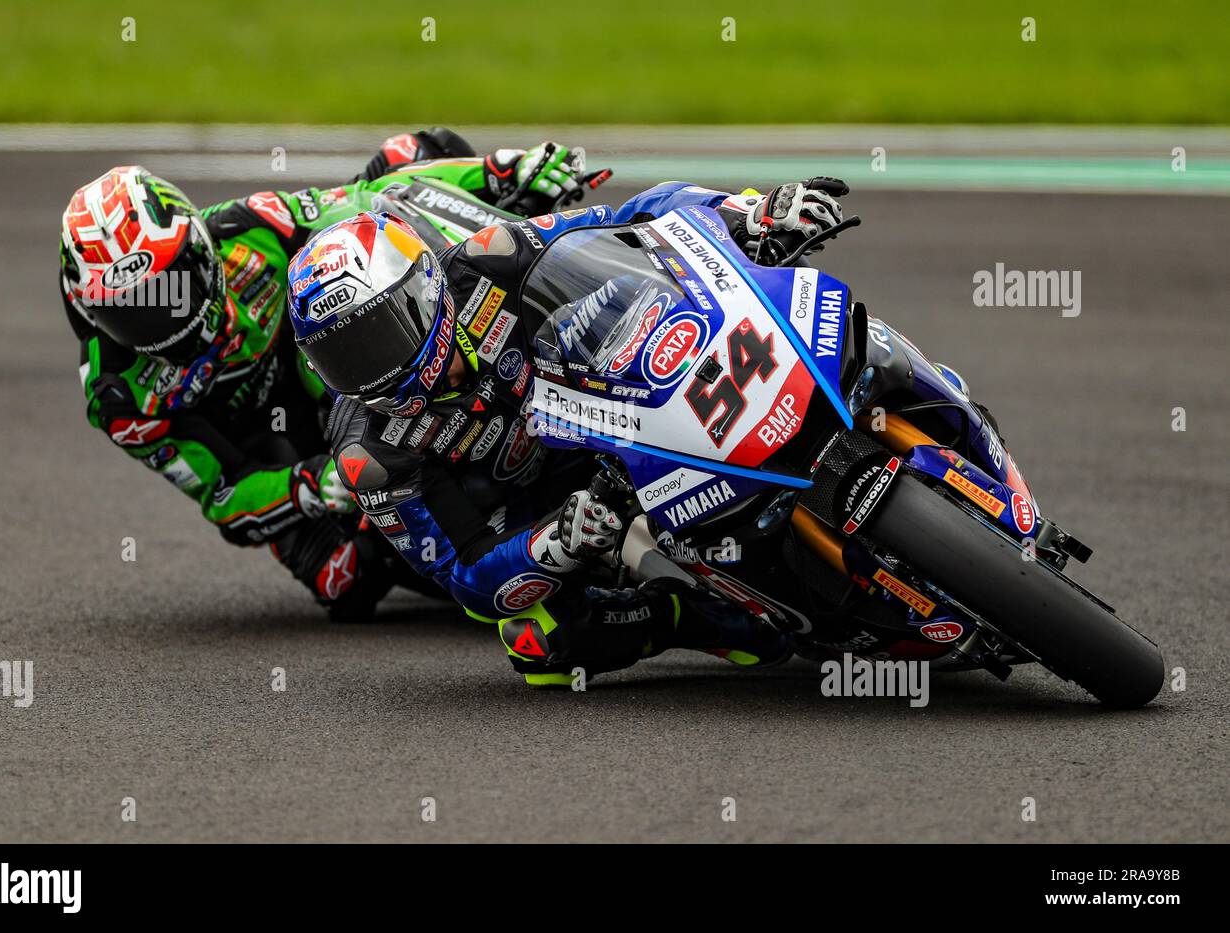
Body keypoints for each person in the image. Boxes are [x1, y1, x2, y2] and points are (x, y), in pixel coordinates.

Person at [285, 177, 851, 680]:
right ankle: (683, 617)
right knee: (538, 640)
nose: (368, 365)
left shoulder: (493, 255)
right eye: (343, 353)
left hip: (627, 402)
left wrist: (749, 212)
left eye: (375, 334)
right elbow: (465, 575)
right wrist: (557, 541)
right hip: (557, 508)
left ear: (422, 292)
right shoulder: (371, 455)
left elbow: (639, 216)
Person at [59, 129, 587, 622]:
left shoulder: (251, 226)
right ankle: (477, 540)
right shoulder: (120, 397)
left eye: (168, 284)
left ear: (198, 247)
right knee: (343, 582)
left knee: (413, 151)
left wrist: (493, 174)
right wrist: (311, 485)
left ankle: (530, 275)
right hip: (276, 453)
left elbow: (372, 196)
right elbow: (222, 495)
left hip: (337, 364)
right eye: (126, 310)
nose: (161, 316)